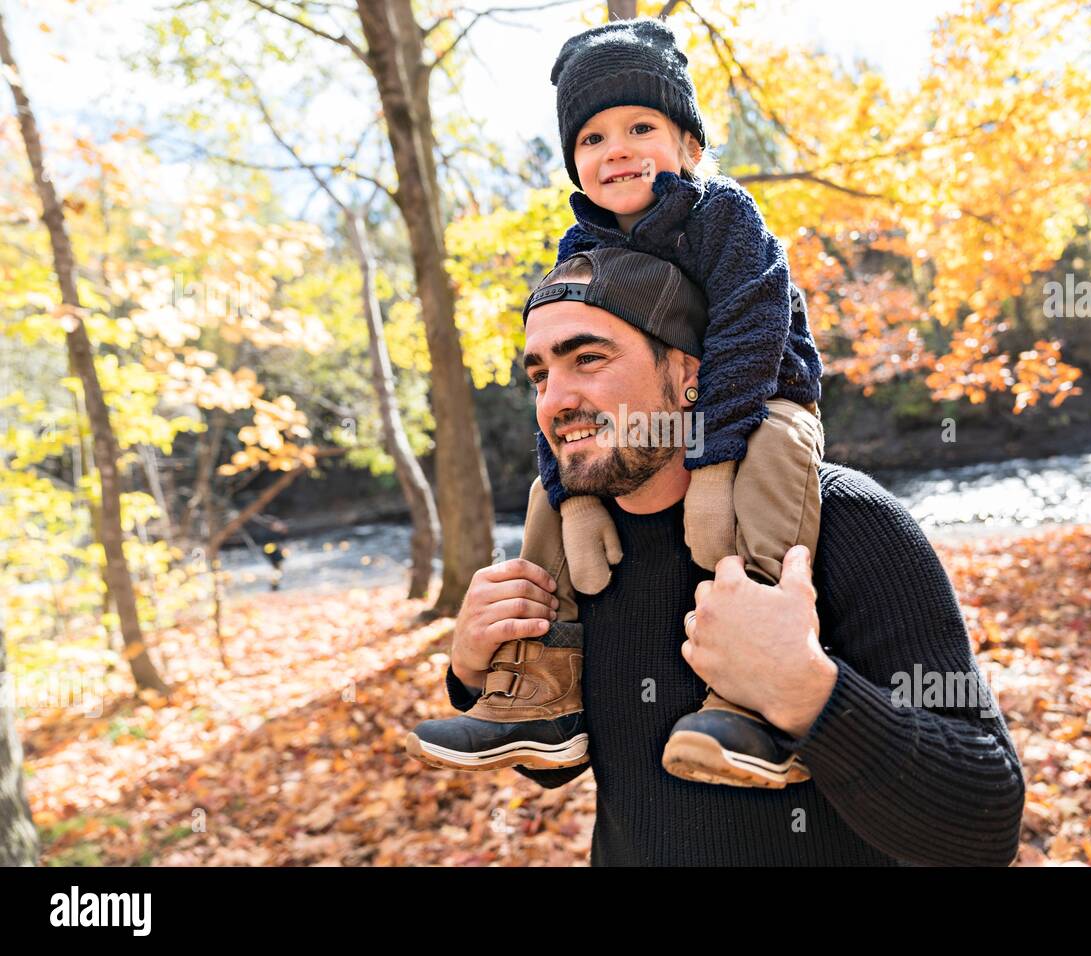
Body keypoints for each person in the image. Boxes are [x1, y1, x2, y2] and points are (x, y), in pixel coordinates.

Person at [409, 247, 1026, 865]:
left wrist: (809, 694)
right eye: (540, 375)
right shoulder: (574, 551)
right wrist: (473, 672)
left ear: (689, 374)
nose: (555, 401)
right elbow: (556, 765)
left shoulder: (847, 520)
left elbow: (984, 824)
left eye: (588, 359)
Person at [407, 15, 826, 788]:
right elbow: (560, 393)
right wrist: (574, 501)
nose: (617, 148)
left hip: (762, 394)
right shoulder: (580, 256)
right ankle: (541, 689)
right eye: (592, 138)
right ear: (574, 163)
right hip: (664, 428)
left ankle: (751, 689)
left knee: (774, 449)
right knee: (547, 486)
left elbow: (747, 328)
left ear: (690, 148)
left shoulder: (724, 215)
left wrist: (709, 467)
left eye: (641, 125)